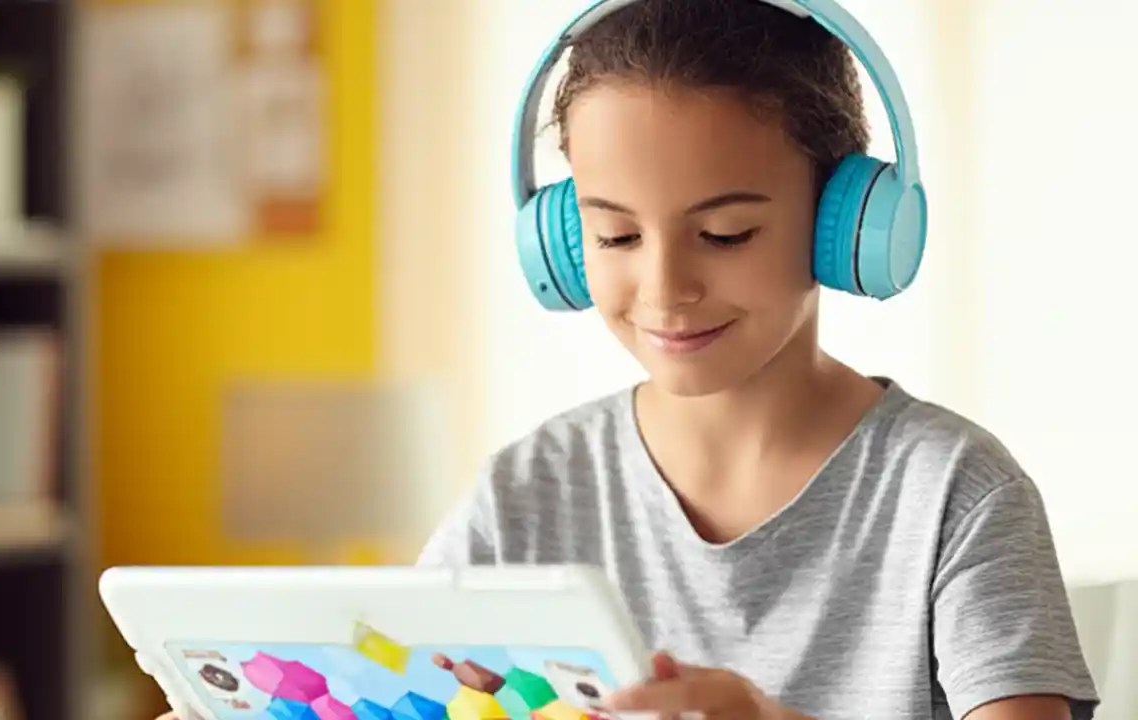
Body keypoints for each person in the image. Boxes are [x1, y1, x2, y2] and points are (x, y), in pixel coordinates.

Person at [155, 1, 1097, 719]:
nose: (665, 289)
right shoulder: (523, 495)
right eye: (614, 237)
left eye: (725, 234)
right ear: (565, 245)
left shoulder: (955, 494)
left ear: (847, 224)